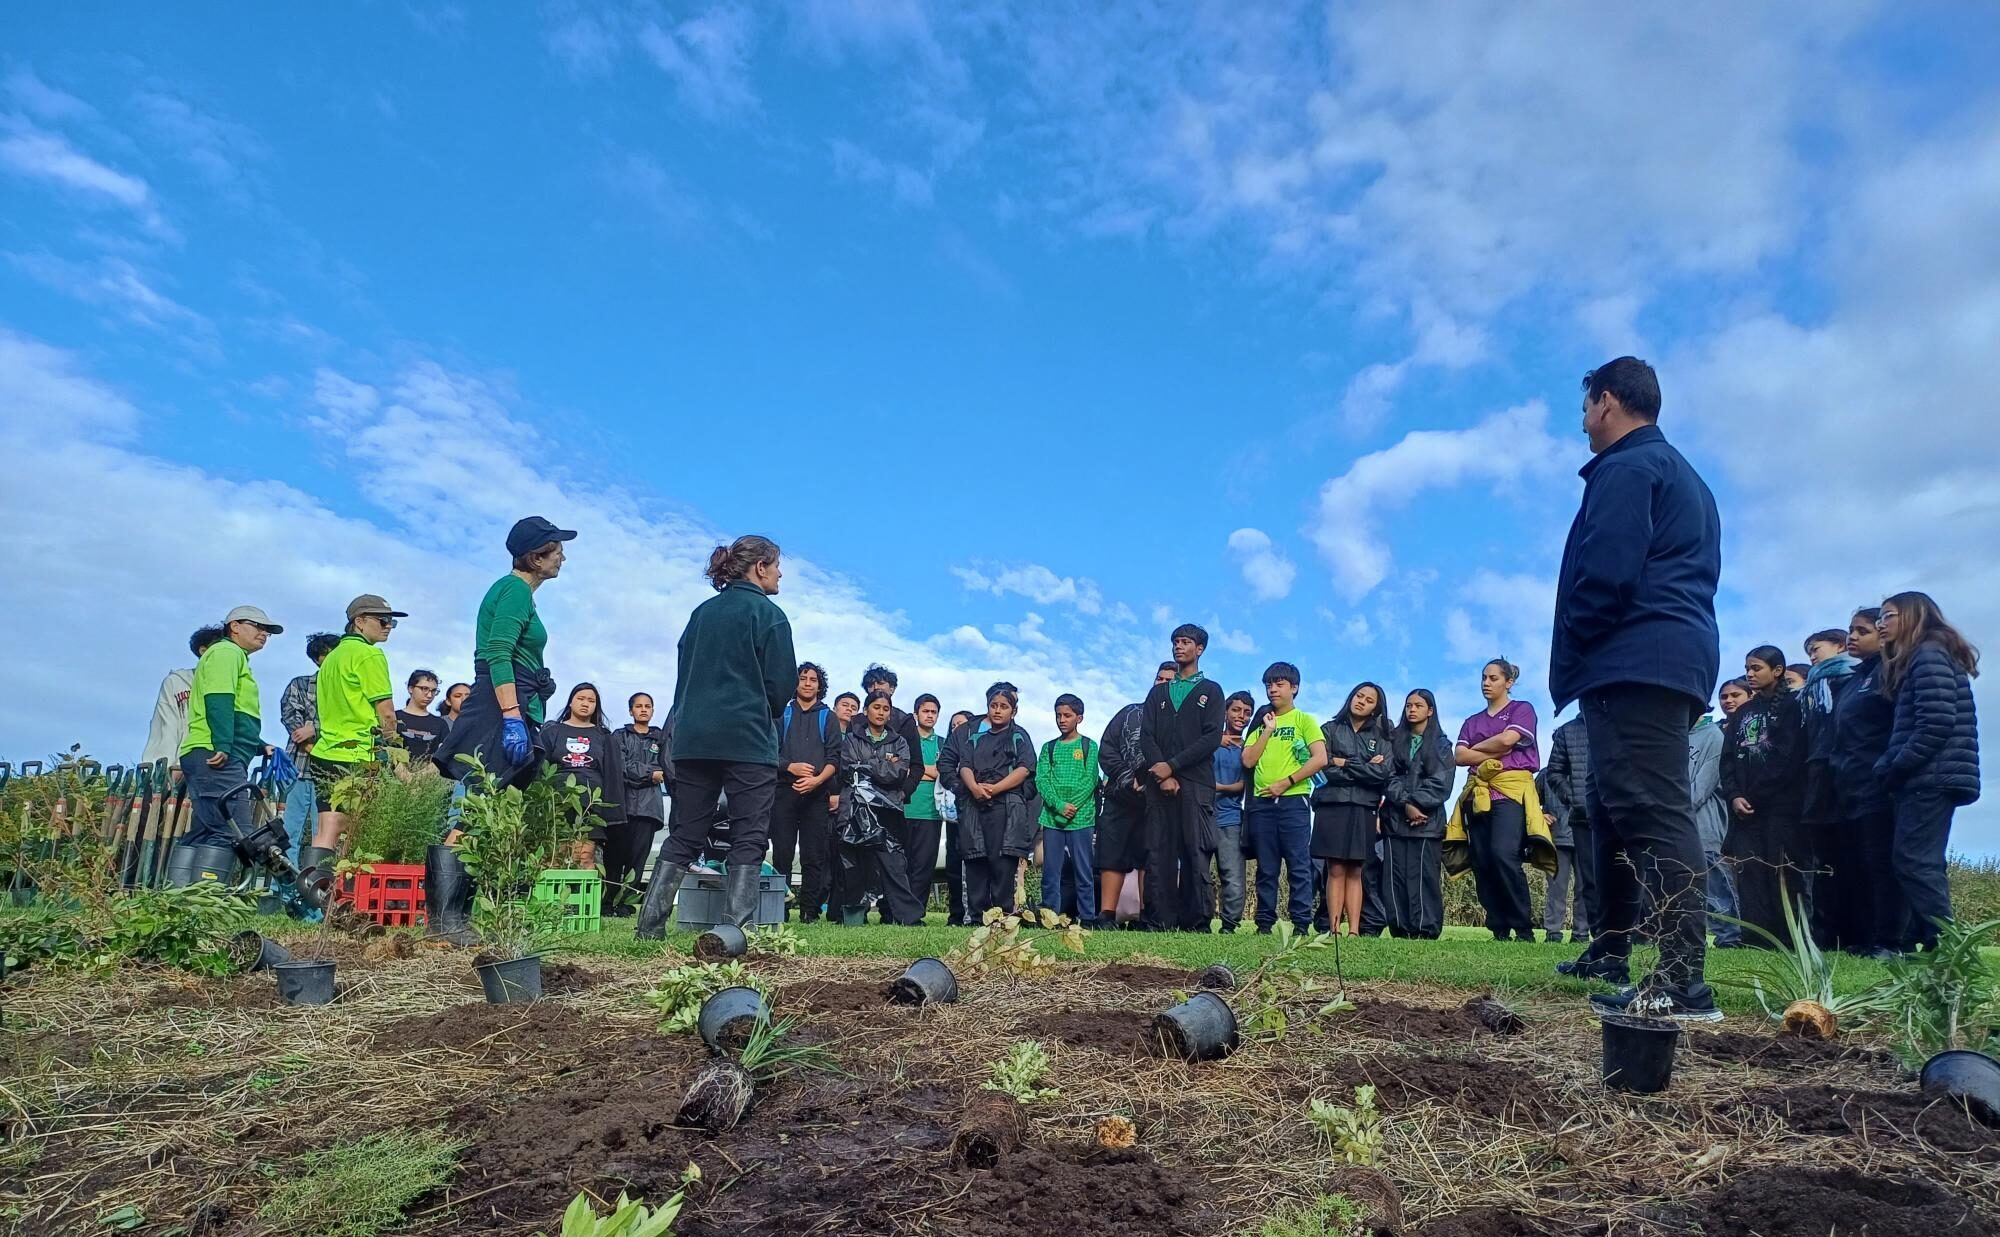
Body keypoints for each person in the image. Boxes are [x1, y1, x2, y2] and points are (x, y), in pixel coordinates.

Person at [1550, 356, 1722, 1022]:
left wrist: (1583, 637)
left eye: (1585, 407)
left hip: (1636, 659)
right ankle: (1612, 947)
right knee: (1611, 809)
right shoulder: (1683, 474)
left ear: (1607, 401)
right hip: (1664, 658)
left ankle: (1682, 979)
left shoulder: (1627, 467)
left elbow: (1607, 570)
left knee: (1652, 809)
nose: (1583, 422)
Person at [637, 535, 798, 937]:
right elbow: (782, 686)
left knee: (686, 832)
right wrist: (763, 712)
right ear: (760, 567)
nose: (780, 574)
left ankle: (649, 927)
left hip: (693, 740)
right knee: (749, 835)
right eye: (777, 566)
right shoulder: (769, 615)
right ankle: (731, 933)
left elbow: (685, 673)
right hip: (747, 739)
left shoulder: (701, 614)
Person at [1875, 591, 1981, 952]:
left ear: (1912, 616)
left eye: (1888, 615)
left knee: (1914, 861)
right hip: (1932, 774)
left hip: (1931, 776)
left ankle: (1949, 949)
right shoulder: (1925, 655)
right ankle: (1923, 943)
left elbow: (1935, 723)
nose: (1881, 624)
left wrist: (1894, 766)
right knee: (1919, 860)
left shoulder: (1928, 653)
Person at [299, 595, 408, 901]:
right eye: (382, 620)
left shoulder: (332, 659)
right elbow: (386, 713)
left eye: (392, 622)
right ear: (359, 622)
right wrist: (395, 751)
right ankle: (347, 899)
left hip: (325, 752)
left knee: (326, 826)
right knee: (356, 828)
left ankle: (312, 898)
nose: (388, 626)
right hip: (358, 752)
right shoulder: (369, 655)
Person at [167, 607, 282, 882]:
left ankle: (178, 895)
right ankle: (208, 897)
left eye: (267, 630)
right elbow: (219, 700)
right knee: (232, 830)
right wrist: (222, 745)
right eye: (258, 626)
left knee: (207, 829)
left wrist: (259, 745)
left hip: (205, 752)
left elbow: (235, 715)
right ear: (235, 626)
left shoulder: (230, 656)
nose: (264, 633)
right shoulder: (226, 653)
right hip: (216, 756)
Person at [1449, 658, 1550, 942]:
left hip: (1509, 793)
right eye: (1484, 677)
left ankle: (1523, 928)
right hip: (1477, 795)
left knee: (1503, 854)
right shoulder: (1472, 721)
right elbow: (1460, 756)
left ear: (1509, 682)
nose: (1486, 683)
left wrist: (1479, 750)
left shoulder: (1522, 710)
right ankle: (1499, 928)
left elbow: (1508, 740)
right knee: (1482, 860)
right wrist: (1495, 748)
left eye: (1493, 678)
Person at [1141, 626, 1227, 932]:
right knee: (1158, 850)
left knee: (1196, 851)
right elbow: (1146, 736)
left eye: (1186, 642)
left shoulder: (1212, 691)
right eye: (1175, 642)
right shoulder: (1158, 693)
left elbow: (1211, 737)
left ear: (1199, 649)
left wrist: (1174, 766)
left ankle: (1197, 921)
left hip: (1196, 784)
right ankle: (1159, 919)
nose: (1179, 647)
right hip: (1158, 784)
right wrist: (1162, 772)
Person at [1721, 644, 1807, 947]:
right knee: (1750, 872)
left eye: (1756, 668)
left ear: (1778, 670)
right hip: (1744, 810)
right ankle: (1755, 937)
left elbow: (1788, 758)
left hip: (1781, 806)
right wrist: (1734, 795)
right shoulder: (1743, 712)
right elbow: (1727, 760)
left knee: (1782, 872)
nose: (1750, 674)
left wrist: (1756, 794)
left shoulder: (1793, 706)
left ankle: (1789, 938)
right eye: (1747, 668)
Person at [1242, 661, 1325, 935]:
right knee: (1266, 868)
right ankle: (1264, 923)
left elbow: (1320, 758)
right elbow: (1248, 759)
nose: (1273, 689)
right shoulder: (1262, 723)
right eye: (1269, 685)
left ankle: (1301, 923)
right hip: (1261, 804)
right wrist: (1267, 730)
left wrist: (1286, 782)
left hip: (1294, 802)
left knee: (1298, 865)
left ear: (1294, 688)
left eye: (1279, 684)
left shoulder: (1304, 720)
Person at [831, 690, 924, 923]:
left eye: (885, 709)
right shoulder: (851, 739)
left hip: (887, 811)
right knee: (853, 866)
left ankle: (908, 917)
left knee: (894, 866)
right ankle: (852, 918)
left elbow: (899, 773)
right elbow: (848, 769)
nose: (881, 712)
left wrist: (867, 765)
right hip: (854, 810)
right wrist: (883, 763)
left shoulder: (899, 742)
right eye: (876, 707)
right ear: (866, 711)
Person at [1094, 663, 1174, 927]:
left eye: (1169, 680)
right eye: (1160, 678)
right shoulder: (1129, 713)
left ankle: (1145, 915)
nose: (1163, 683)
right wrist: (1129, 778)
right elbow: (1107, 749)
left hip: (1157, 800)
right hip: (1120, 796)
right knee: (1111, 854)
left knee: (1148, 857)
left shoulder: (1178, 721)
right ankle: (1106, 915)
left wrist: (1154, 781)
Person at [1313, 682, 1392, 936]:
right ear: (1351, 697)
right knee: (1335, 868)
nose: (1361, 702)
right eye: (1359, 696)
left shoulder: (1382, 736)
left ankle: (1354, 930)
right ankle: (1334, 929)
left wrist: (1344, 763)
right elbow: (1323, 768)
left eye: (1369, 700)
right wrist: (1362, 766)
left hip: (1364, 806)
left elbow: (1381, 774)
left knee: (1356, 869)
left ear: (1376, 709)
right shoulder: (1329, 729)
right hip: (1332, 804)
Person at [954, 682, 1039, 917]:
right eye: (994, 706)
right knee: (976, 858)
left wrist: (996, 788)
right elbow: (964, 765)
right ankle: (977, 915)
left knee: (1002, 862)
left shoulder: (1019, 736)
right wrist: (974, 787)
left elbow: (1025, 768)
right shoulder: (975, 738)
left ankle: (1002, 915)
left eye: (1003, 706)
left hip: (1006, 806)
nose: (998, 710)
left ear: (1014, 711)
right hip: (975, 804)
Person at [1800, 629, 1860, 947]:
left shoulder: (1852, 678)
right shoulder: (1811, 688)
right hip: (1816, 770)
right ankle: (1825, 932)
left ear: (1839, 645)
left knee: (1850, 854)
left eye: (1816, 648)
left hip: (1843, 769)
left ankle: (1854, 932)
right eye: (1808, 650)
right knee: (1822, 859)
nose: (1812, 655)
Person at [770, 664, 840, 923]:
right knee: (782, 854)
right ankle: (780, 908)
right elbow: (769, 751)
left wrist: (817, 781)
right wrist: (790, 767)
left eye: (813, 680)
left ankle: (809, 911)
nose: (808, 683)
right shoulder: (782, 713)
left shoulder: (828, 717)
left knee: (814, 856)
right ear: (795, 682)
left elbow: (835, 758)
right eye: (803, 679)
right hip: (784, 792)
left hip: (817, 795)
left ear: (820, 685)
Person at [1381, 689, 1452, 939]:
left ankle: (1426, 928)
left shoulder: (1442, 745)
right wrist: (1405, 804)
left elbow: (1441, 782)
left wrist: (1415, 804)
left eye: (1418, 705)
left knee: (1424, 876)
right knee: (1395, 876)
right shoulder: (1393, 741)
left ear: (1430, 710)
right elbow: (1387, 776)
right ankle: (1400, 928)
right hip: (1395, 817)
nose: (1412, 709)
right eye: (1408, 705)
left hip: (1427, 821)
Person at [859, 665, 931, 906]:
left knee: (894, 859)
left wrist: (903, 793)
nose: (877, 688)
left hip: (893, 801)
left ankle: (893, 909)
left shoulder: (905, 721)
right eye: (872, 685)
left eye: (882, 684)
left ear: (892, 689)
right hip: (861, 802)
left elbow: (916, 766)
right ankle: (855, 910)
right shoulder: (857, 721)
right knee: (861, 858)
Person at [542, 682, 626, 868]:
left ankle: (586, 889)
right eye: (581, 698)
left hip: (590, 805)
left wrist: (613, 814)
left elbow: (613, 776)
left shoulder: (604, 736)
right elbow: (541, 769)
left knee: (584, 857)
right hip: (557, 804)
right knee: (554, 858)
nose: (585, 703)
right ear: (571, 702)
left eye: (591, 700)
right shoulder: (552, 732)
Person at [1035, 694, 1100, 922]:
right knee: (1051, 872)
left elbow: (1090, 780)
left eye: (1067, 715)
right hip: (1052, 819)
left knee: (1084, 871)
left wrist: (1072, 807)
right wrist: (1059, 805)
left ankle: (1087, 917)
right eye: (1058, 715)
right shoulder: (1048, 747)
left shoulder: (1089, 746)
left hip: (1082, 819)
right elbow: (1042, 779)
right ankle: (1049, 917)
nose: (1062, 720)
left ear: (1079, 718)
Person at [278, 633, 340, 868]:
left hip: (333, 772)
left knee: (325, 833)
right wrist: (311, 742)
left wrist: (314, 728)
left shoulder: (347, 690)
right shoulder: (300, 685)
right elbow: (292, 721)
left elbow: (347, 724)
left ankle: (319, 882)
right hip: (299, 767)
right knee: (289, 831)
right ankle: (283, 884)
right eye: (328, 655)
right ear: (317, 659)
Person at [1537, 715, 1597, 945]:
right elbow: (1531, 802)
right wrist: (1540, 816)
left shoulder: (1590, 774)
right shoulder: (1546, 776)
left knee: (1585, 887)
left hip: (1586, 833)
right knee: (1556, 888)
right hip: (1557, 837)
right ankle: (1553, 931)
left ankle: (1581, 933)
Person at [609, 692, 669, 916]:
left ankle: (626, 904)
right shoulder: (619, 736)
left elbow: (666, 766)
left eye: (647, 706)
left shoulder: (661, 738)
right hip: (622, 806)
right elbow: (620, 766)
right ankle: (607, 902)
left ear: (652, 710)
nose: (643, 709)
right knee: (614, 857)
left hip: (648, 809)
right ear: (630, 710)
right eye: (638, 706)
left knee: (637, 861)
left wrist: (647, 773)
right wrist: (651, 774)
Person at [1688, 704, 1739, 949]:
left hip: (1705, 824)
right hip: (1678, 826)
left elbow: (1703, 786)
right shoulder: (1675, 737)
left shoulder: (1713, 736)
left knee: (1716, 883)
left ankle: (1729, 936)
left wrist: (1672, 809)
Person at [142, 625, 226, 772]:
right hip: (176, 764)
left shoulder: (230, 685)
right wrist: (168, 766)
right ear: (203, 651)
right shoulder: (177, 682)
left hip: (215, 763)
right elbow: (167, 725)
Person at [1212, 691, 1253, 933]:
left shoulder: (1248, 749)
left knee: (1233, 876)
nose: (1241, 716)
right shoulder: (1208, 742)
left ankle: (1229, 925)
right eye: (1236, 710)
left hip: (1231, 818)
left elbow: (1242, 786)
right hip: (1202, 817)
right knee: (1197, 874)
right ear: (1225, 712)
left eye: (1247, 713)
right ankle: (1196, 921)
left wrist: (1215, 787)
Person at [904, 693, 946, 918]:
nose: (930, 715)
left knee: (923, 866)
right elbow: (899, 770)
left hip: (931, 813)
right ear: (916, 714)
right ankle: (893, 911)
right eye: (925, 711)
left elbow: (944, 772)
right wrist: (929, 770)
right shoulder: (904, 740)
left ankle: (916, 913)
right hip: (904, 809)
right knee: (900, 865)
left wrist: (917, 770)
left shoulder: (942, 743)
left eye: (934, 712)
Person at [940, 707, 976, 924]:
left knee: (973, 865)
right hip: (952, 817)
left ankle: (975, 912)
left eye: (960, 724)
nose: (956, 728)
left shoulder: (978, 748)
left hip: (975, 815)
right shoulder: (948, 753)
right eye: (953, 725)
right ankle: (956, 914)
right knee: (953, 866)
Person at [396, 670, 448, 764]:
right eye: (424, 689)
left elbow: (444, 756)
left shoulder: (440, 724)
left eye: (433, 691)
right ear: (410, 688)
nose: (429, 695)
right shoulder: (394, 717)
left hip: (429, 772)